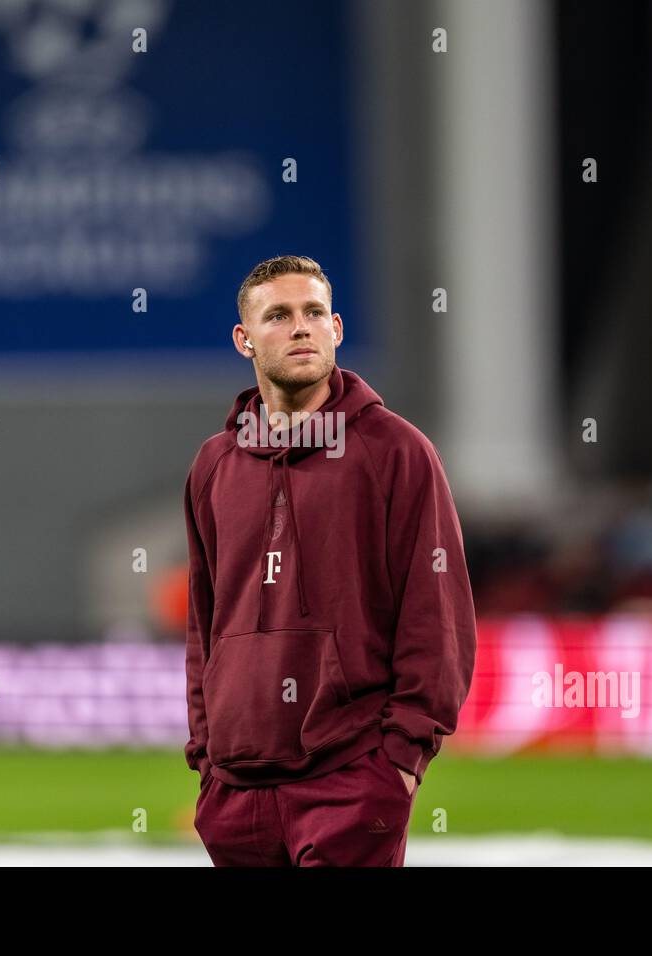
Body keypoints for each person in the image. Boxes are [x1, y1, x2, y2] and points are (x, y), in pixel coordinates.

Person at [183, 254, 477, 866]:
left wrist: (401, 761)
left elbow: (437, 613)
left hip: (351, 780)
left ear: (337, 329)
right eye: (279, 315)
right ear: (243, 339)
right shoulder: (213, 466)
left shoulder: (395, 450)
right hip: (237, 793)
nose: (300, 327)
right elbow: (202, 625)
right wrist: (208, 759)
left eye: (315, 312)